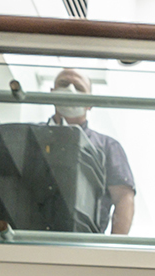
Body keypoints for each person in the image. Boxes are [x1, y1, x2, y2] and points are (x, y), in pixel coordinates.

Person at [47, 67, 137, 234]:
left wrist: (112, 247)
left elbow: (123, 197)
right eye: (63, 84)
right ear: (51, 93)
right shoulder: (28, 136)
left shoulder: (107, 147)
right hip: (30, 238)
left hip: (84, 240)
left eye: (79, 87)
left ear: (90, 103)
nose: (70, 90)